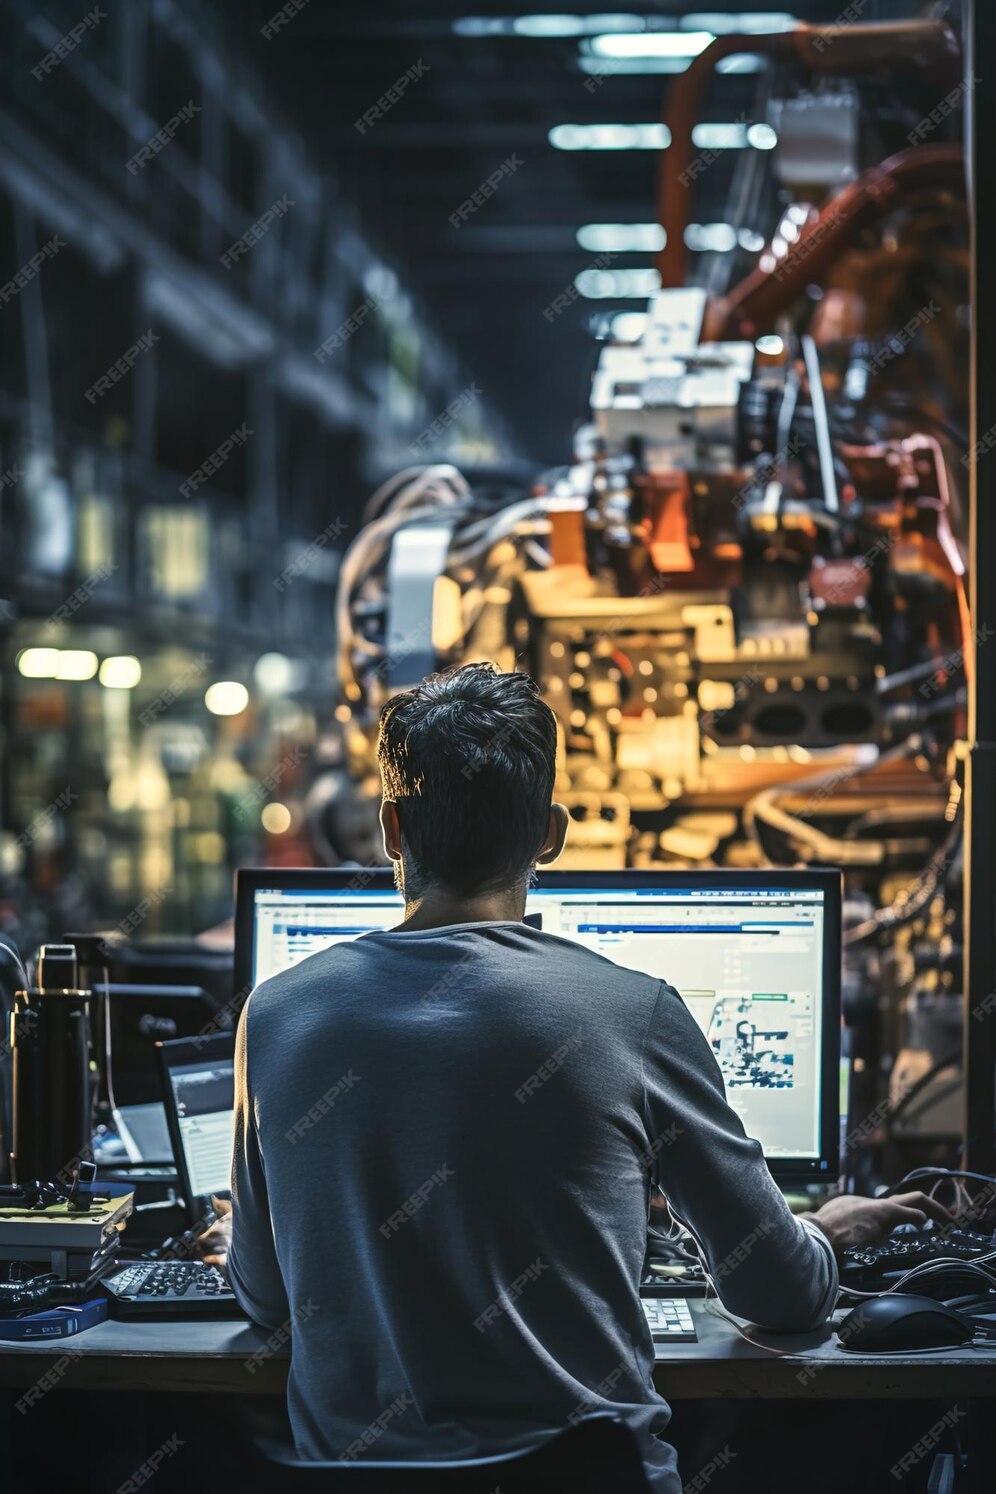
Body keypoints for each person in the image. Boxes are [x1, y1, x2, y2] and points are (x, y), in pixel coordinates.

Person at [202, 663, 949, 1489]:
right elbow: (781, 1298)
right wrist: (825, 1233)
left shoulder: (276, 1014)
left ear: (390, 827)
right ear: (552, 833)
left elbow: (268, 1307)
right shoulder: (636, 1013)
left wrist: (250, 1238)